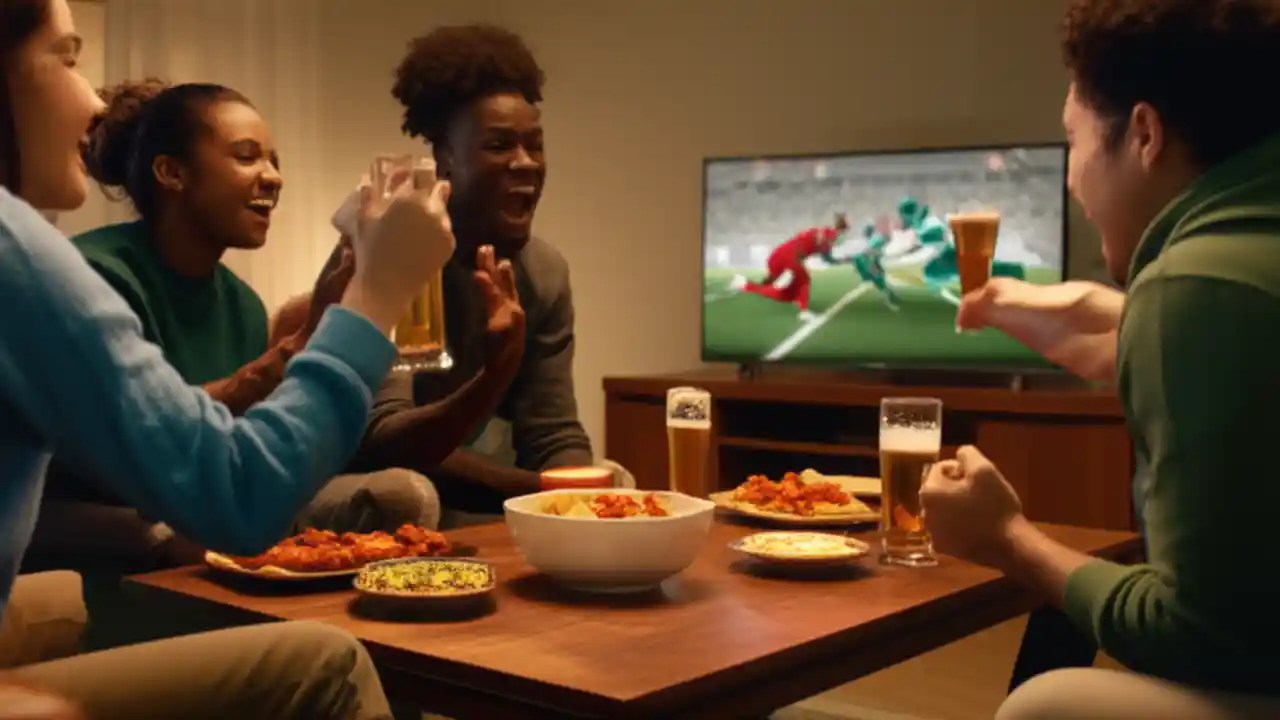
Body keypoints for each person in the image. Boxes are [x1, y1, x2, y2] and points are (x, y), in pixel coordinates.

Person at [0, 0, 457, 716]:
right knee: (325, 665)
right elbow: (239, 491)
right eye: (66, 58)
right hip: (125, 537)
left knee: (397, 503)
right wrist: (377, 293)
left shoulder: (235, 298)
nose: (94, 101)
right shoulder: (23, 255)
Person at [922, 1, 1280, 717]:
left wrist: (1009, 540)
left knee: (1047, 703)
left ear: (1144, 134)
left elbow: (1204, 637)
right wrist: (1121, 319)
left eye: (1073, 141)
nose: (1070, 178)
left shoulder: (1195, 283)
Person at [29, 79, 525, 583]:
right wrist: (289, 355)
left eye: (275, 162)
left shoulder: (240, 302)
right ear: (171, 172)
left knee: (398, 499)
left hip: (210, 508)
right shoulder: (97, 275)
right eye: (247, 158)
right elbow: (131, 446)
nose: (272, 178)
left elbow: (252, 451)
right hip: (102, 523)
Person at [275, 24, 626, 520]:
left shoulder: (542, 272)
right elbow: (385, 442)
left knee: (616, 484)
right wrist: (538, 493)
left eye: (535, 145)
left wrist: (578, 502)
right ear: (445, 159)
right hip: (354, 479)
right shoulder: (389, 256)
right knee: (410, 493)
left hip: (464, 483)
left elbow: (553, 432)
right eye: (500, 145)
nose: (525, 163)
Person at [729, 212, 849, 321]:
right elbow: (821, 241)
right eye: (844, 234)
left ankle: (744, 284)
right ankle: (804, 312)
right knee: (804, 280)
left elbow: (828, 259)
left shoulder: (827, 238)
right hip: (789, 256)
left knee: (786, 294)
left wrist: (846, 260)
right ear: (840, 231)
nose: (842, 239)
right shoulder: (828, 235)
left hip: (780, 255)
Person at [897, 196, 1025, 288]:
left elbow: (940, 235)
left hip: (950, 253)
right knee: (935, 273)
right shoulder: (919, 222)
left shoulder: (926, 222)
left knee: (973, 272)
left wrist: (917, 244)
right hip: (948, 253)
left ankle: (1012, 271)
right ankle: (1011, 271)